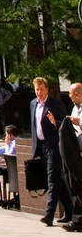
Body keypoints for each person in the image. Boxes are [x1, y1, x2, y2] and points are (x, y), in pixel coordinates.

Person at [30, 75, 70, 227]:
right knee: (57, 180)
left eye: (41, 89)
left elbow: (65, 125)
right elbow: (34, 127)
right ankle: (70, 210)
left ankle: (49, 215)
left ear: (47, 90)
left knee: (52, 179)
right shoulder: (33, 104)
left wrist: (56, 122)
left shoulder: (55, 104)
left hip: (53, 146)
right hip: (40, 146)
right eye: (37, 89)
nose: (39, 92)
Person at [69, 82, 82, 149]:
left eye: (70, 93)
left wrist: (79, 123)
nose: (69, 96)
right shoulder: (74, 108)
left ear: (76, 95)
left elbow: (79, 123)